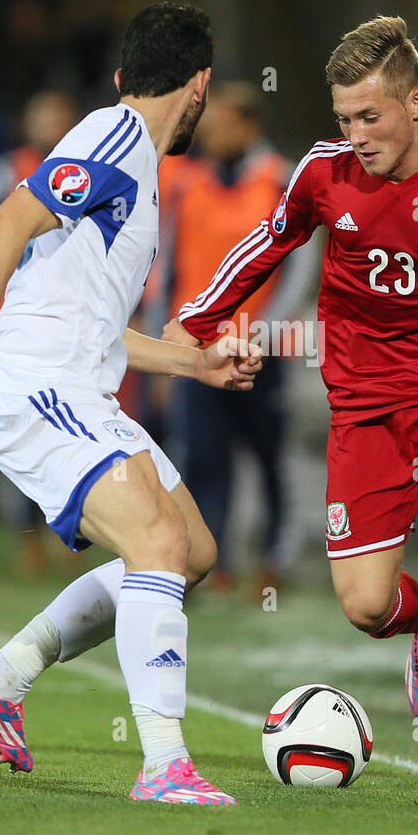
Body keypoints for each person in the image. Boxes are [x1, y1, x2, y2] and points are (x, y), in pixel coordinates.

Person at [166, 16, 418, 800]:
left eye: (371, 116)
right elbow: (265, 244)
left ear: (417, 102)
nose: (356, 135)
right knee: (362, 605)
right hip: (365, 409)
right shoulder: (322, 173)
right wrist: (195, 321)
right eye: (344, 119)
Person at [0, 3, 263, 805]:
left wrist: (193, 362)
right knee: (152, 539)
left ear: (123, 74)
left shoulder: (138, 164)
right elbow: (9, 219)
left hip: (77, 382)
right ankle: (164, 766)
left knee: (190, 548)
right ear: (200, 87)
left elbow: (98, 323)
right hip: (40, 386)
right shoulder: (115, 138)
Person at [151, 81, 317, 592]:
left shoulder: (281, 179)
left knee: (268, 455)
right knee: (201, 455)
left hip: (260, 353)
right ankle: (211, 562)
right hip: (199, 351)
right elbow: (167, 263)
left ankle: (273, 562)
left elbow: (299, 266)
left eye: (219, 123)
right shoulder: (187, 183)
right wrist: (166, 347)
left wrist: (262, 335)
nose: (208, 133)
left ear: (249, 126)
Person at [0, 89, 78, 576]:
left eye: (59, 114)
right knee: (25, 426)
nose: (50, 123)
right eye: (43, 113)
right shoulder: (7, 170)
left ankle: (74, 529)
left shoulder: (85, 168)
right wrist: (17, 261)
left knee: (70, 426)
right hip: (14, 320)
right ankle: (29, 535)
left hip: (71, 319)